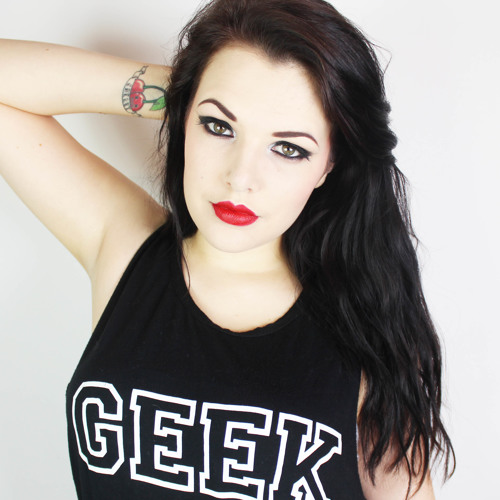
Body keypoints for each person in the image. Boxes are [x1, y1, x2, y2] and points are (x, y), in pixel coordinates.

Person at [0, 0, 454, 498]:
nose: (241, 177)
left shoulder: (369, 330)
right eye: (218, 126)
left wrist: (209, 99)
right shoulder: (126, 247)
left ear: (329, 164)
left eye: (289, 148)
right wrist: (186, 90)